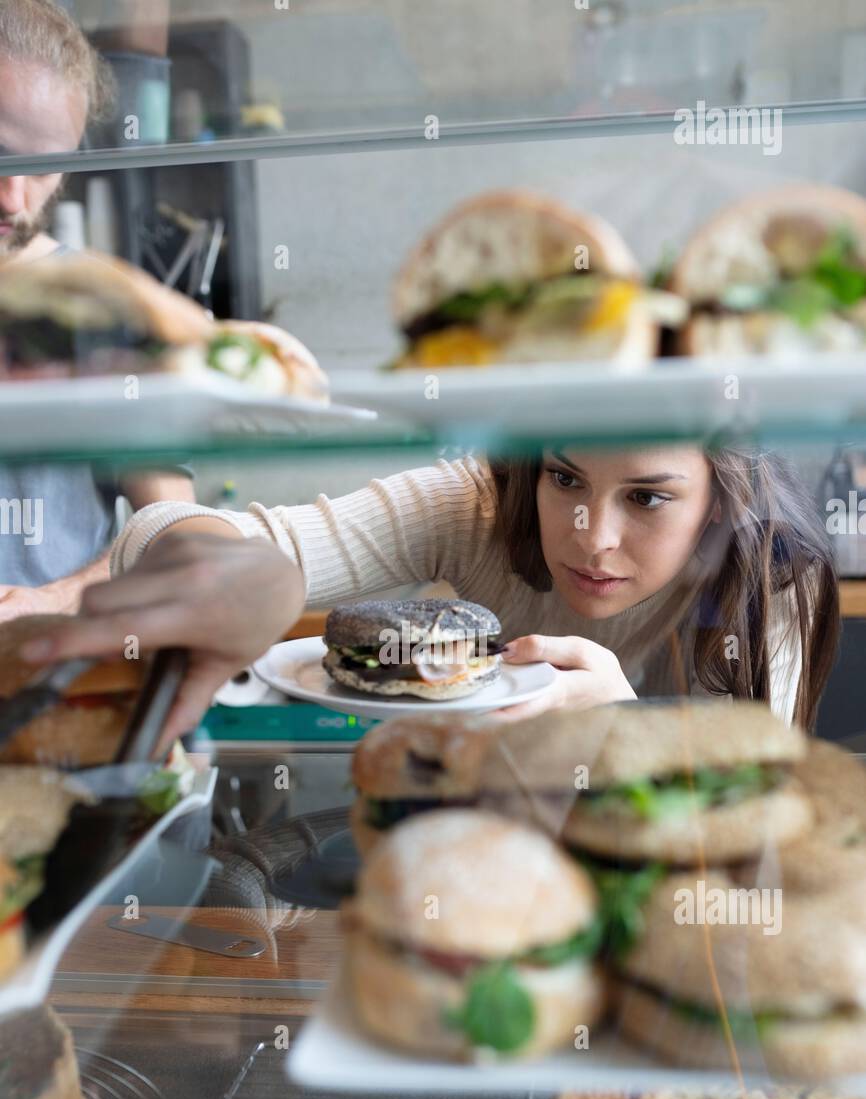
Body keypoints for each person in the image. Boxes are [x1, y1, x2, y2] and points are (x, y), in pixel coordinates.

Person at [20, 438, 840, 745]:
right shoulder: (476, 505)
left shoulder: (773, 577)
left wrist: (629, 730)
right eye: (565, 478)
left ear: (725, 494)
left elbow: (758, 804)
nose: (592, 536)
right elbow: (174, 533)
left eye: (648, 497)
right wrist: (223, 565)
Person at [0, 0, 195, 621]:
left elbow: (177, 536)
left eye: (43, 165)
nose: (13, 197)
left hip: (49, 675)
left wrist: (50, 600)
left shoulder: (104, 310)